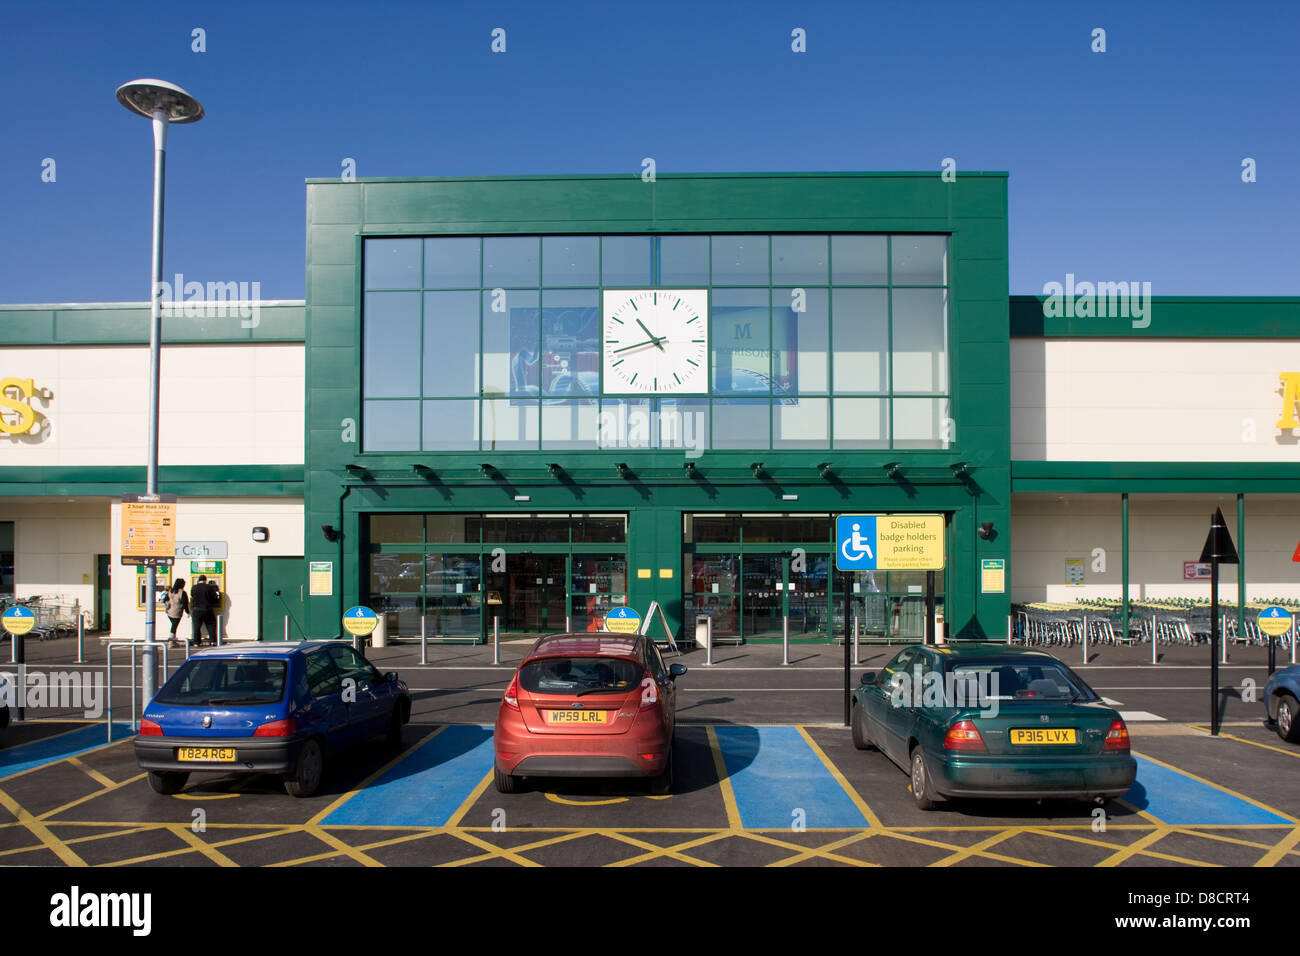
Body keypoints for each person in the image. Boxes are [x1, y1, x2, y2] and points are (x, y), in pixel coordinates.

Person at [191, 574, 220, 647]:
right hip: (207, 609)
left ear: (198, 580)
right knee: (211, 625)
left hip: (197, 609)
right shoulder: (209, 587)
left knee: (197, 627)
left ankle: (196, 642)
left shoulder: (194, 588)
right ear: (205, 580)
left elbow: (192, 596)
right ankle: (213, 641)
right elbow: (215, 599)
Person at [164, 578, 189, 647]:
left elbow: (165, 600)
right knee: (174, 626)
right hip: (177, 612)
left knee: (174, 626)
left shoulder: (170, 591)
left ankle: (173, 641)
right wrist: (188, 612)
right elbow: (185, 603)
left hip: (169, 611)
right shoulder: (182, 593)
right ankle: (171, 642)